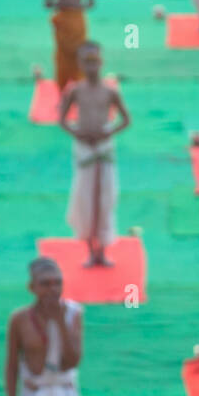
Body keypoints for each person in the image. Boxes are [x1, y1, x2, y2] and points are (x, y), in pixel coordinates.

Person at [61, 41, 130, 268]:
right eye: (86, 62)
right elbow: (62, 120)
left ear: (101, 63)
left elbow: (125, 120)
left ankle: (103, 250)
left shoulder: (110, 91)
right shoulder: (76, 91)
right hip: (85, 151)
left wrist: (107, 132)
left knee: (105, 199)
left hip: (104, 149)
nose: (91, 67)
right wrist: (77, 132)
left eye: (94, 62)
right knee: (85, 200)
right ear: (80, 64)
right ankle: (91, 250)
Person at [5, 257, 85, 396]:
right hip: (32, 395)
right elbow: (12, 365)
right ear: (32, 287)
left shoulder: (73, 314)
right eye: (45, 284)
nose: (53, 289)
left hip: (64, 394)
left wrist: (59, 321)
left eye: (57, 283)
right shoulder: (19, 319)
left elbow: (72, 362)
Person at [46, 0, 93, 92]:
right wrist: (61, 5)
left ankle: (81, 93)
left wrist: (75, 6)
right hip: (63, 18)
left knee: (79, 55)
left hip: (77, 18)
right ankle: (62, 93)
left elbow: (91, 3)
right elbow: (47, 4)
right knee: (62, 58)